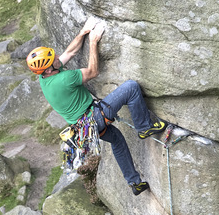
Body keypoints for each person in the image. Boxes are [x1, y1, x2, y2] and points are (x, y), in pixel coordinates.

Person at [26, 22, 168, 195]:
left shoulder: (45, 77)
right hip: (94, 117)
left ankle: (134, 182)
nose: (58, 58)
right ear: (48, 69)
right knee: (131, 87)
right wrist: (93, 41)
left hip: (84, 127)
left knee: (117, 140)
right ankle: (144, 127)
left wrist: (82, 33)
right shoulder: (64, 79)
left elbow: (69, 52)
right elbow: (93, 72)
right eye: (54, 59)